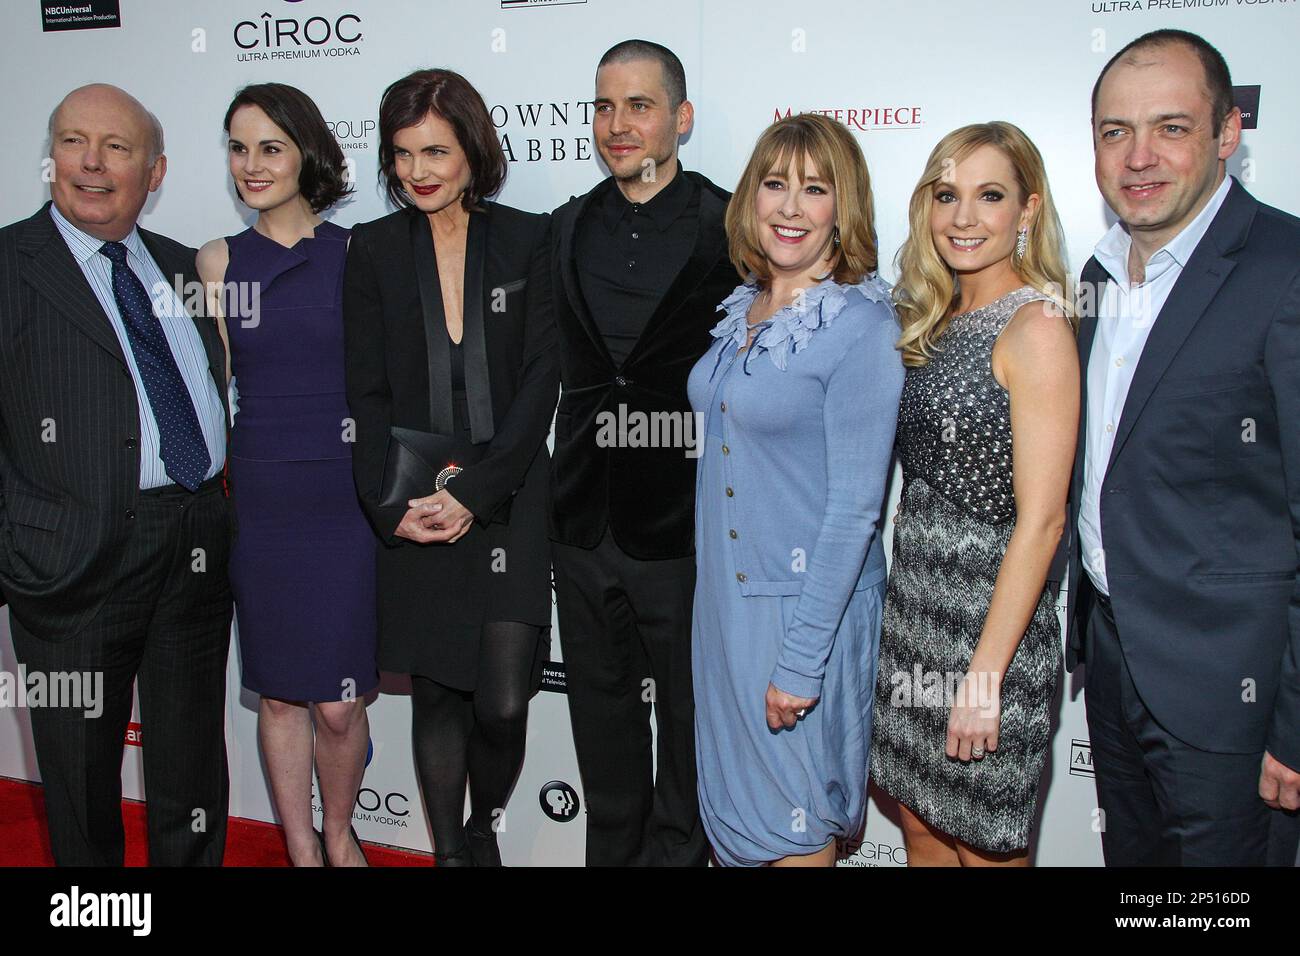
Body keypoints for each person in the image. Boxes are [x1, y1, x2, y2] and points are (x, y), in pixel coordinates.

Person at [1069, 28, 1300, 865]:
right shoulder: (1091, 280)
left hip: (1235, 696)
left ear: (1227, 134)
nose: (1138, 157)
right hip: (1112, 664)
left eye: (1170, 127)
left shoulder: (1285, 266)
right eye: (1114, 131)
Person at [0, 84, 232, 865]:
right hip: (69, 563)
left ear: (155, 169)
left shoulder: (184, 267)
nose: (90, 163)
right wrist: (16, 549)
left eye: (116, 147)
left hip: (195, 544)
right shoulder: (7, 266)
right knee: (79, 785)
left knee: (192, 767)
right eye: (72, 141)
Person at [343, 69, 557, 867]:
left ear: (473, 149)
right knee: (435, 691)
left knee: (502, 703)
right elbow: (362, 389)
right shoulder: (372, 248)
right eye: (402, 155)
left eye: (435, 150)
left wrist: (478, 490)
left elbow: (543, 378)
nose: (418, 171)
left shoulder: (530, 238)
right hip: (412, 499)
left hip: (508, 495)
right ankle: (451, 857)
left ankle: (481, 826)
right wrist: (385, 505)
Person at [688, 113, 903, 867]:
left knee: (796, 819)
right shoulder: (742, 311)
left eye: (815, 190)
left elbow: (854, 510)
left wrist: (803, 658)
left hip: (801, 612)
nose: (789, 206)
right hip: (724, 608)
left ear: (843, 210)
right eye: (775, 184)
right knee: (737, 814)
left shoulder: (862, 328)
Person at [548, 39, 738, 866]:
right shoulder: (562, 228)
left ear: (680, 118)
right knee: (601, 729)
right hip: (582, 523)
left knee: (692, 734)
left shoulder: (736, 227)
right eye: (603, 106)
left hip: (686, 527)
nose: (617, 124)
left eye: (639, 105)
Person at [869, 122, 1078, 866]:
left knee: (987, 847)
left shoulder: (1037, 327)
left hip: (992, 631)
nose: (963, 217)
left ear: (1027, 210)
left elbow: (1044, 521)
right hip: (913, 617)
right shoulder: (925, 317)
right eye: (946, 195)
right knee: (921, 825)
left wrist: (983, 679)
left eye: (990, 196)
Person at [196, 83, 375, 868]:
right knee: (277, 693)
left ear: (306, 152)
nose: (251, 165)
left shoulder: (358, 253)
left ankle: (341, 833)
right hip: (265, 500)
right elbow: (217, 391)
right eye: (238, 148)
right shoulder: (218, 261)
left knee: (338, 705)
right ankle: (303, 851)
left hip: (344, 498)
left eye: (270, 147)